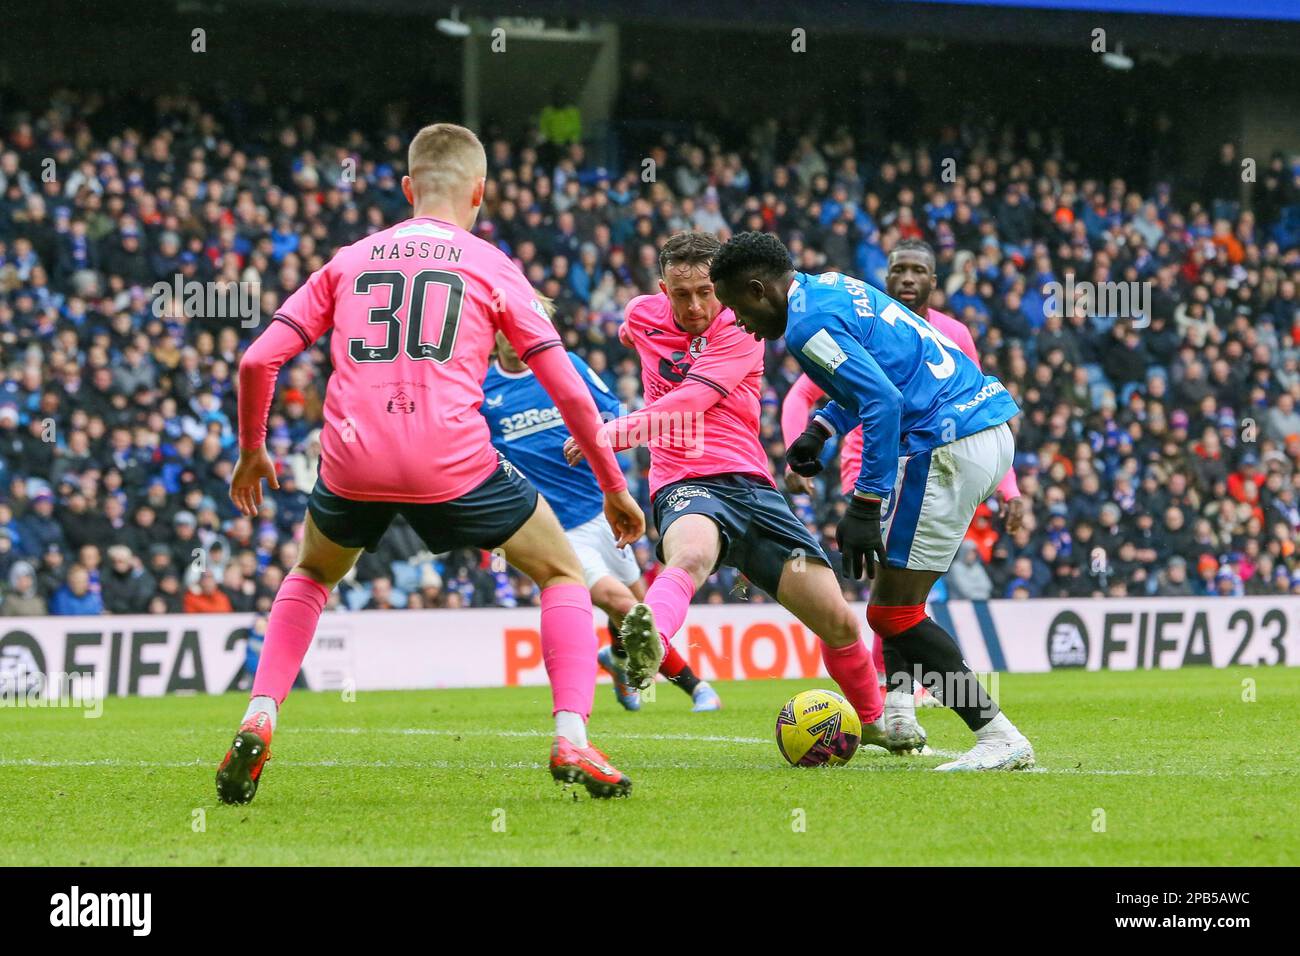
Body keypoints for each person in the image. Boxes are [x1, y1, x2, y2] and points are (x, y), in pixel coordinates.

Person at [216, 123, 646, 805]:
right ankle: (571, 736)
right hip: (453, 461)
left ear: (409, 188)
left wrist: (251, 449)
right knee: (562, 569)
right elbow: (565, 387)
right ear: (479, 191)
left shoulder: (350, 259)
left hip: (353, 459)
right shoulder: (494, 266)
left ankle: (259, 717)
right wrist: (614, 487)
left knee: (312, 571)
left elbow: (255, 359)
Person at [566, 231, 913, 753]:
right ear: (664, 288)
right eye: (680, 295)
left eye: (706, 291)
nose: (695, 306)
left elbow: (687, 403)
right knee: (693, 552)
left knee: (838, 620)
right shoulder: (642, 315)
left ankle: (873, 722)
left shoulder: (740, 326)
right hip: (684, 482)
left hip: (751, 485)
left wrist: (609, 433)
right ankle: (649, 643)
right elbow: (630, 331)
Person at [711, 231, 1034, 771]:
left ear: (756, 287)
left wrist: (864, 503)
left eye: (735, 307)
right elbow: (885, 373)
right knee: (896, 602)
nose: (739, 322)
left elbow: (882, 400)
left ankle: (998, 737)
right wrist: (821, 426)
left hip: (945, 442)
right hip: (985, 427)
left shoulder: (805, 327)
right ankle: (904, 710)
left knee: (892, 612)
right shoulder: (832, 287)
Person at [780, 239, 1022, 708]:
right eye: (898, 271)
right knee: (893, 594)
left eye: (918, 271)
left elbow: (907, 393)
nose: (907, 280)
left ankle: (905, 699)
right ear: (885, 278)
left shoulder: (945, 330)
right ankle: (899, 700)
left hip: (932, 456)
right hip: (876, 467)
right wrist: (814, 433)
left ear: (934, 281)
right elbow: (810, 395)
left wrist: (1009, 490)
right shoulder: (862, 318)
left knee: (895, 599)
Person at [482, 323, 720, 712]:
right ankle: (697, 688)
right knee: (626, 607)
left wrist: (604, 434)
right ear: (495, 335)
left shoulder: (565, 365)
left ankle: (620, 661)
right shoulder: (484, 391)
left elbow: (610, 410)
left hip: (601, 509)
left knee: (642, 612)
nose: (514, 337)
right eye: (506, 330)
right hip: (554, 528)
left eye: (521, 328)